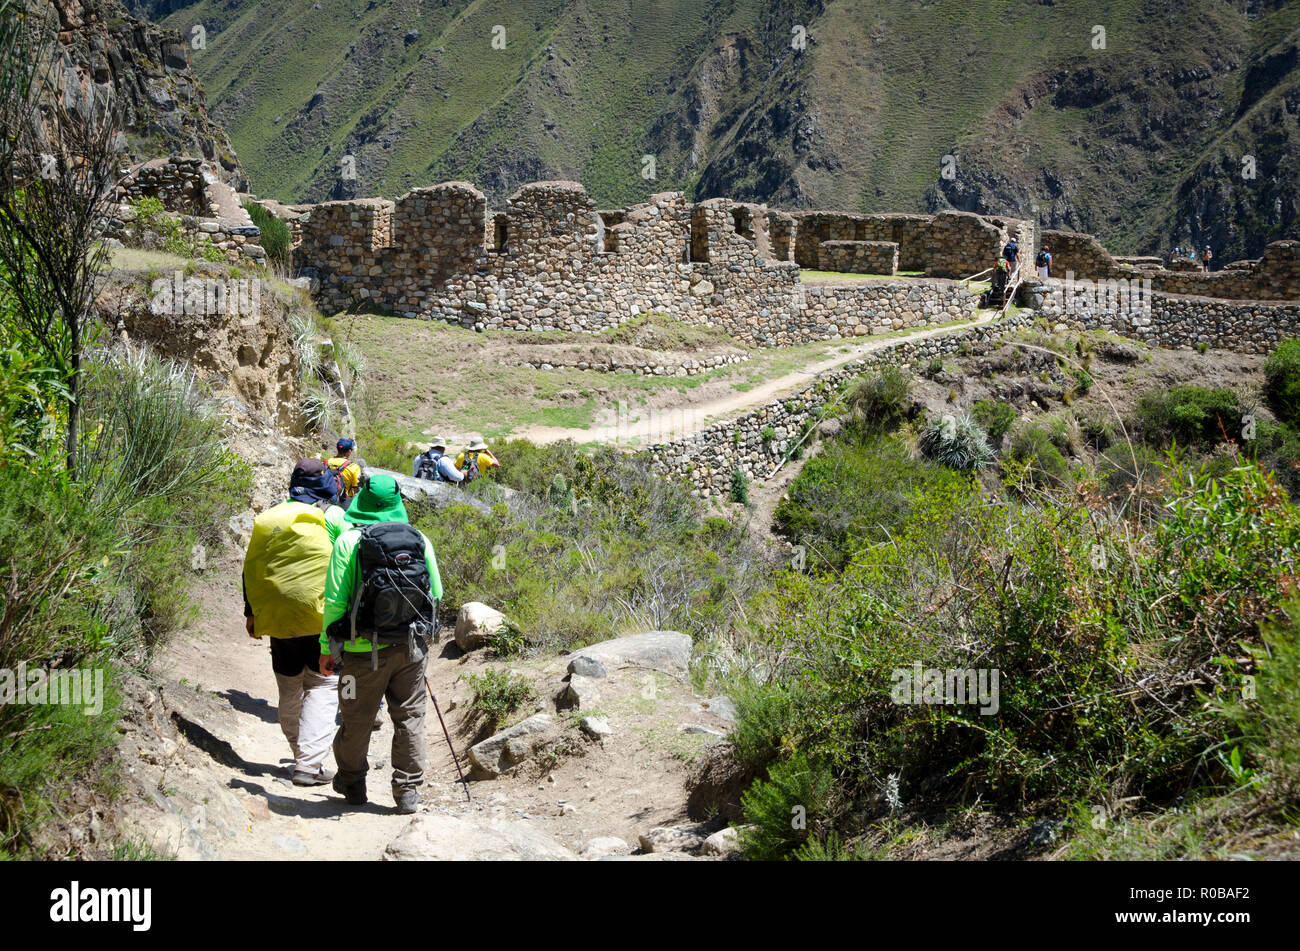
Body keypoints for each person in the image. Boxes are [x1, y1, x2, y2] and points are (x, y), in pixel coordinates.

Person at [319, 475, 442, 813]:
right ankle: (406, 792)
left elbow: (333, 602)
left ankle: (352, 782)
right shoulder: (420, 539)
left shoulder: (348, 542)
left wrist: (326, 647)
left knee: (355, 719)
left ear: (361, 499)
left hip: (360, 654)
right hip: (410, 649)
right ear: (396, 502)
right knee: (410, 718)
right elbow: (437, 594)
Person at [242, 460, 347, 786]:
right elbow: (347, 560)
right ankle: (307, 764)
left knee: (289, 686)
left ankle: (302, 755)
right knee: (322, 685)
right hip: (319, 618)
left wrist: (251, 613)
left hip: (276, 617)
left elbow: (251, 568)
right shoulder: (331, 517)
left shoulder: (266, 519)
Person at [324, 437, 364, 506]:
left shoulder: (326, 463)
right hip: (344, 502)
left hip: (325, 500)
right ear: (349, 451)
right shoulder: (354, 467)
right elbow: (356, 490)